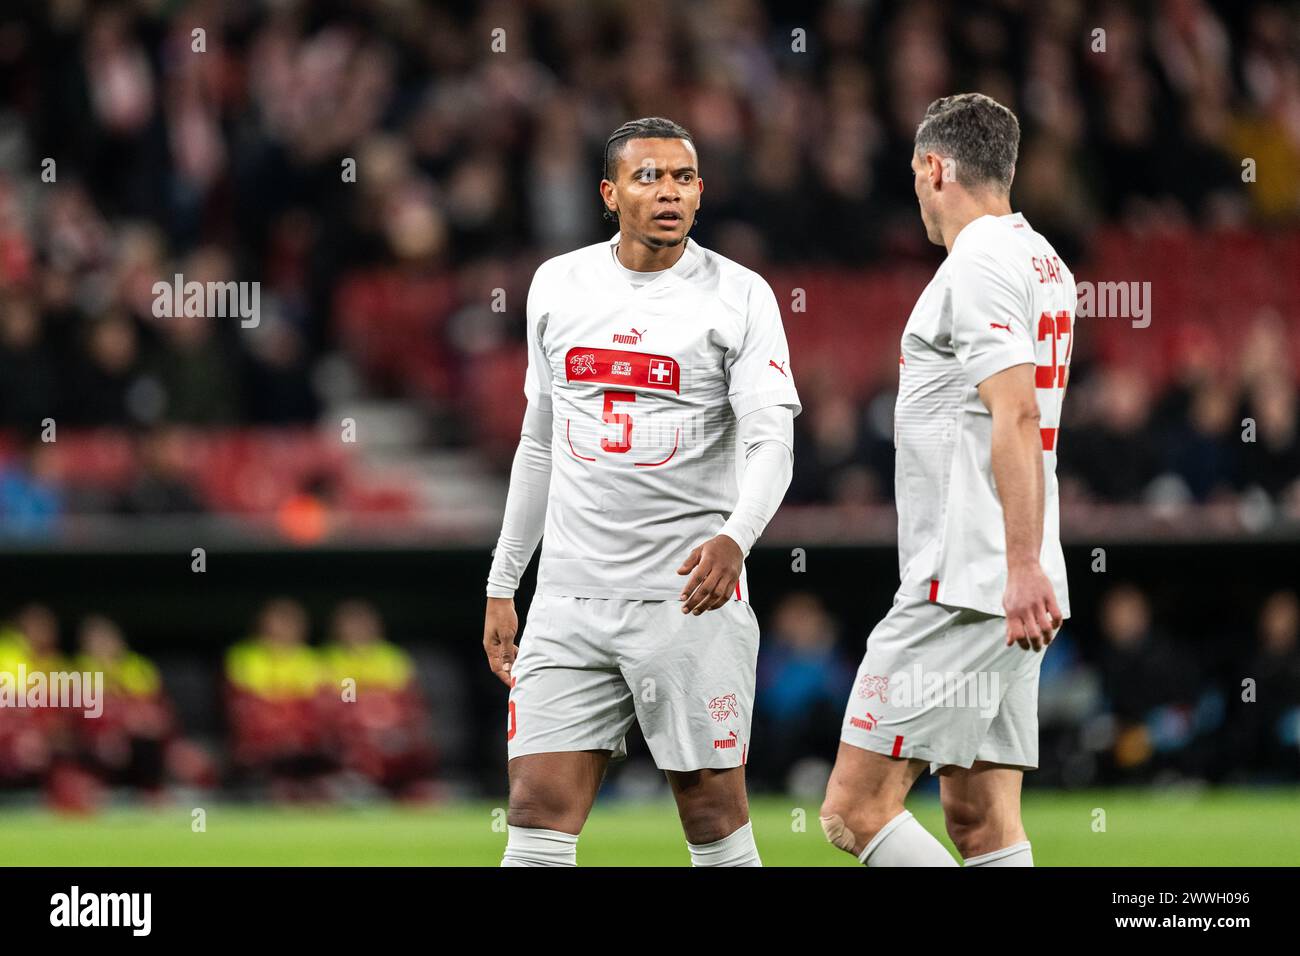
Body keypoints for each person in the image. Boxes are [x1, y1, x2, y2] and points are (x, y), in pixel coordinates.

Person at [482, 117, 800, 866]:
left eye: (684, 178)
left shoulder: (740, 296)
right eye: (648, 177)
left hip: (686, 594)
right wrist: (503, 582)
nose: (669, 192)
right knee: (533, 812)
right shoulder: (557, 283)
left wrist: (736, 537)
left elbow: (772, 442)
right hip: (569, 596)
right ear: (609, 193)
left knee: (712, 812)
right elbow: (538, 443)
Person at [821, 93, 1074, 867]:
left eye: (914, 174)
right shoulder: (1045, 261)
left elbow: (1018, 415)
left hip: (964, 581)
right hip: (1006, 581)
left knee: (853, 811)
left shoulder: (978, 263)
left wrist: (1020, 564)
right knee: (980, 821)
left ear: (935, 167)